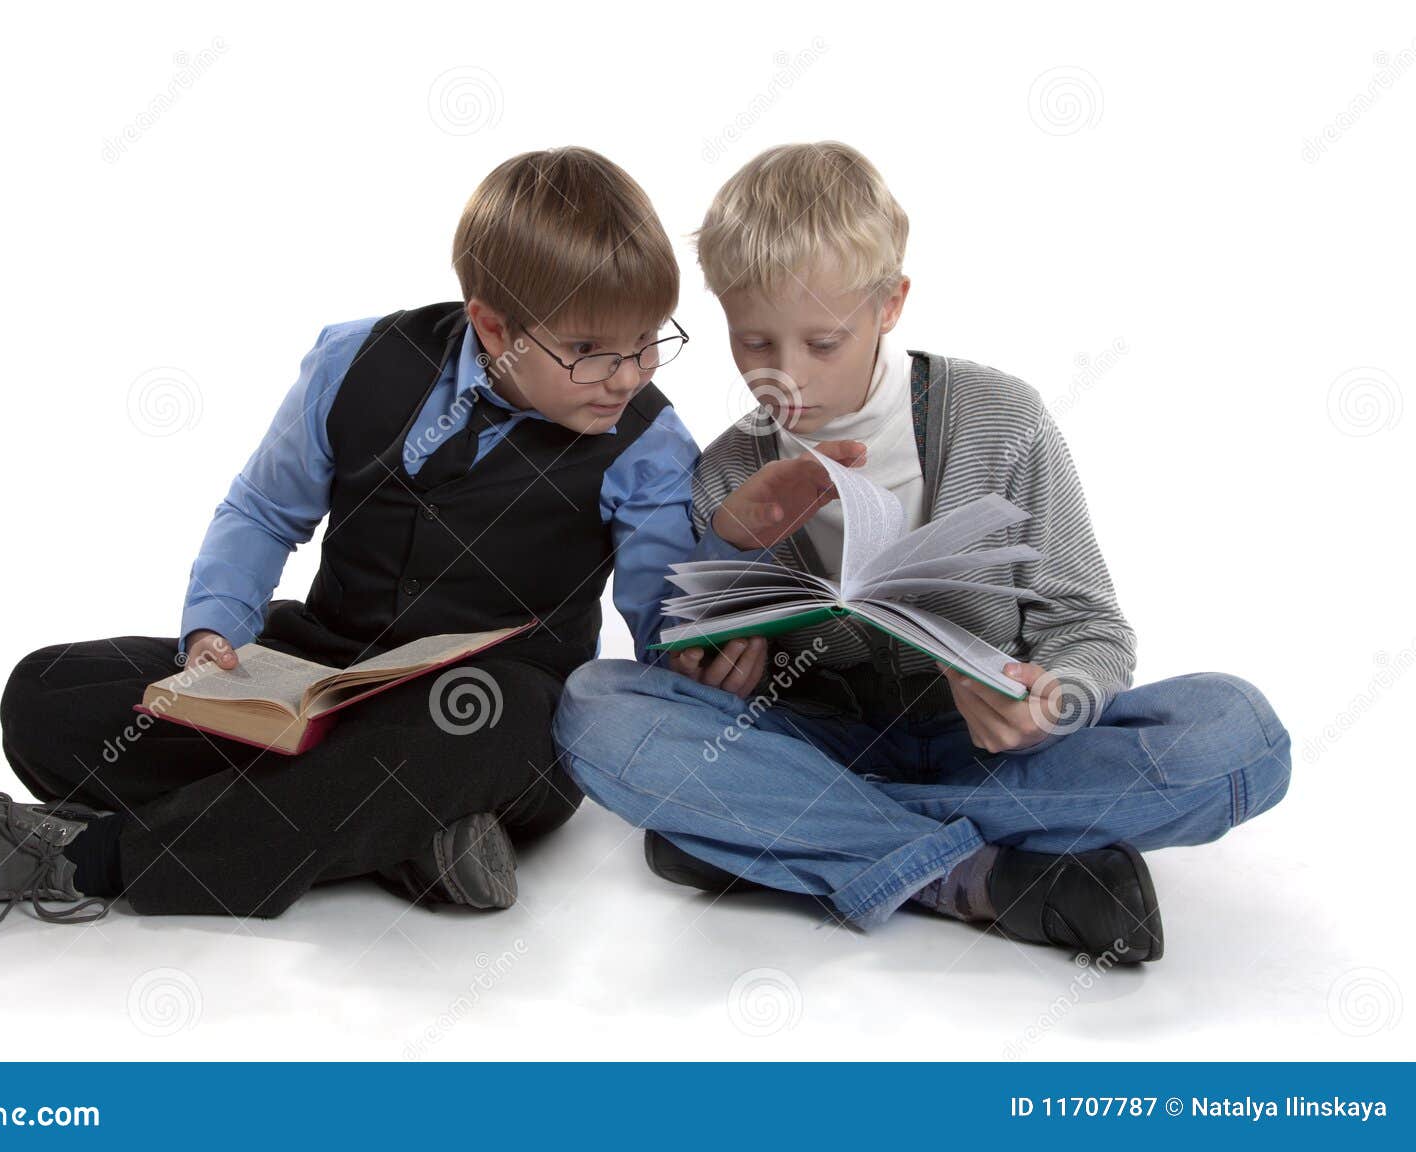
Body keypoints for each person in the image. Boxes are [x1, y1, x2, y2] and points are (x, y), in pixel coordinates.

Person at [0, 147, 710, 933]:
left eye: (649, 343)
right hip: (321, 674)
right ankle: (395, 842)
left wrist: (715, 636)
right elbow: (265, 512)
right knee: (48, 693)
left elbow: (662, 627)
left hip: (490, 715)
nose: (629, 374)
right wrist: (216, 636)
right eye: (589, 351)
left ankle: (88, 862)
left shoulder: (649, 446)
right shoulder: (357, 361)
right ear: (493, 327)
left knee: (470, 727)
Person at [551, 142, 1291, 963]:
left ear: (891, 303)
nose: (786, 379)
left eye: (823, 343)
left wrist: (1055, 703)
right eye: (755, 344)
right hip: (813, 740)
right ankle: (970, 876)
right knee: (597, 707)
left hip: (989, 754)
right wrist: (709, 653)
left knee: (1238, 734)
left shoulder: (1000, 417)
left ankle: (790, 837)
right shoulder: (729, 468)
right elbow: (680, 661)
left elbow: (1088, 625)